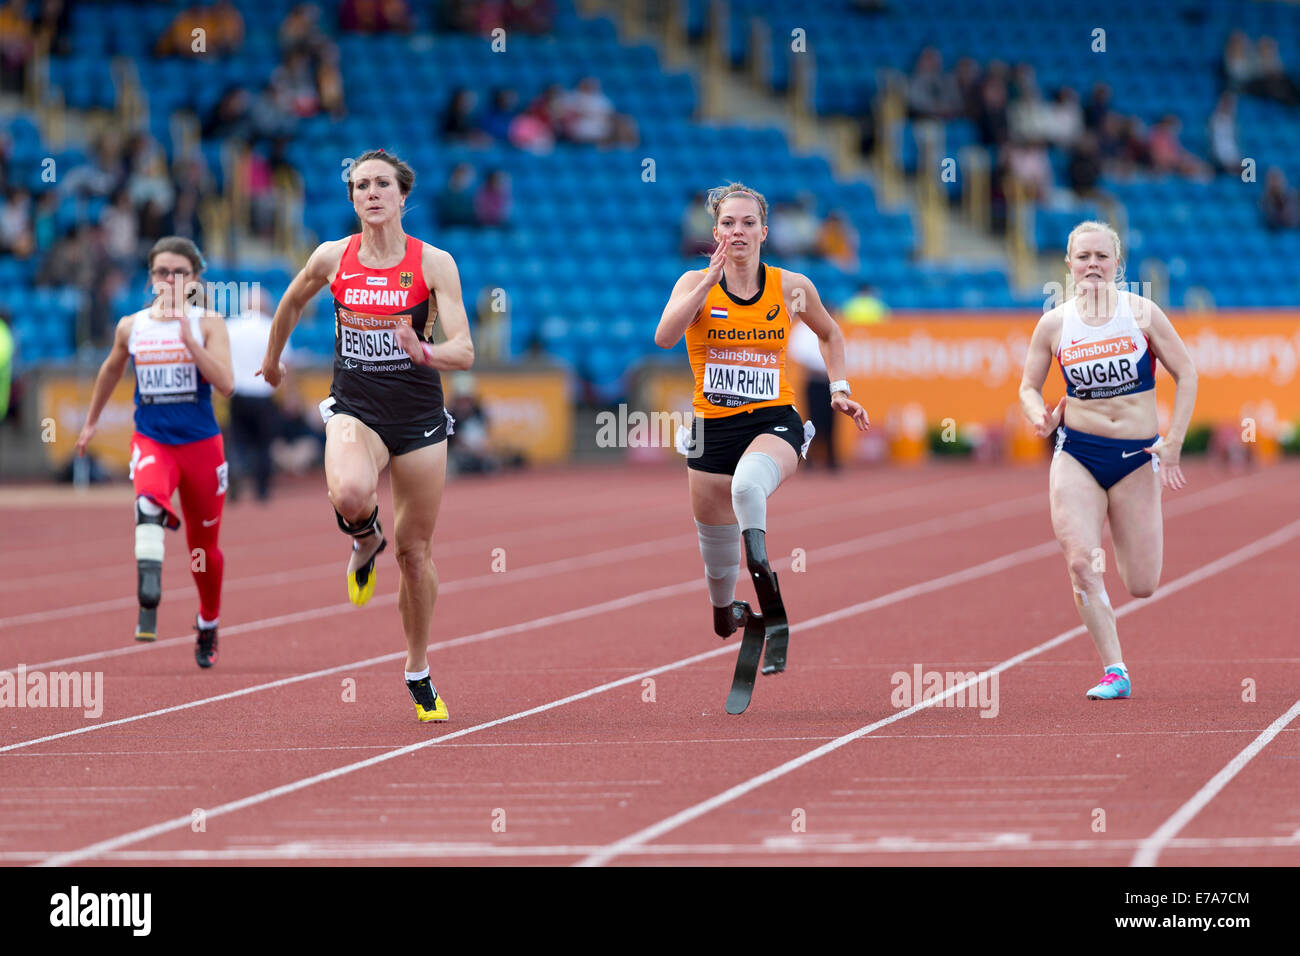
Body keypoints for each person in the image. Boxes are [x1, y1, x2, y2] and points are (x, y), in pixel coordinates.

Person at [259, 149, 474, 723]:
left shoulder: (434, 264)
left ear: (404, 196)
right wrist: (273, 360)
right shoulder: (333, 256)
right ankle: (361, 538)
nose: (372, 193)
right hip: (356, 409)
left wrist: (424, 350)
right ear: (352, 198)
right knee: (351, 493)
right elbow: (291, 299)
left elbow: (465, 350)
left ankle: (418, 668)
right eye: (361, 185)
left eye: (382, 184)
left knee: (415, 553)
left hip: (420, 421)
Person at [653, 182, 869, 683]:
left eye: (748, 223)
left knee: (747, 486)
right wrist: (706, 285)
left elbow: (831, 332)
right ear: (716, 233)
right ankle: (728, 608)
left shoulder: (792, 286)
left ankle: (769, 595)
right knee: (715, 568)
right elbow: (664, 337)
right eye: (729, 223)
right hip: (711, 429)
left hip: (773, 419)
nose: (738, 231)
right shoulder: (692, 282)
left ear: (765, 232)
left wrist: (838, 388)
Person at [1018, 221, 1197, 700]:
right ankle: (1115, 670)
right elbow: (1028, 387)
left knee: (1141, 583)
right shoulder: (1054, 324)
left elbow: (1187, 373)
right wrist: (1039, 417)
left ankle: (1129, 560)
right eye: (1083, 257)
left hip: (1137, 458)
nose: (1092, 265)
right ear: (1069, 265)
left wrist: (1174, 441)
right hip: (1077, 453)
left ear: (1118, 262)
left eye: (1101, 256)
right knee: (1080, 563)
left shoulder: (1142, 314)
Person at [74, 236, 235, 667]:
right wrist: (90, 422)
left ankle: (208, 620)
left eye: (180, 272)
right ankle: (149, 597)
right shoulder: (132, 325)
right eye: (162, 271)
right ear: (151, 278)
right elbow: (111, 369)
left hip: (201, 447)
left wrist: (192, 343)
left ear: (195, 279)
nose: (170, 279)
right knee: (147, 505)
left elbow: (227, 383)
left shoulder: (208, 322)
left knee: (204, 553)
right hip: (153, 442)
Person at [225, 288, 290, 502]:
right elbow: (286, 364)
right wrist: (289, 395)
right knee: (264, 444)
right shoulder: (273, 327)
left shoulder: (230, 327)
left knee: (237, 441)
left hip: (237, 393)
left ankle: (235, 474)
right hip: (264, 394)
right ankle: (261, 490)